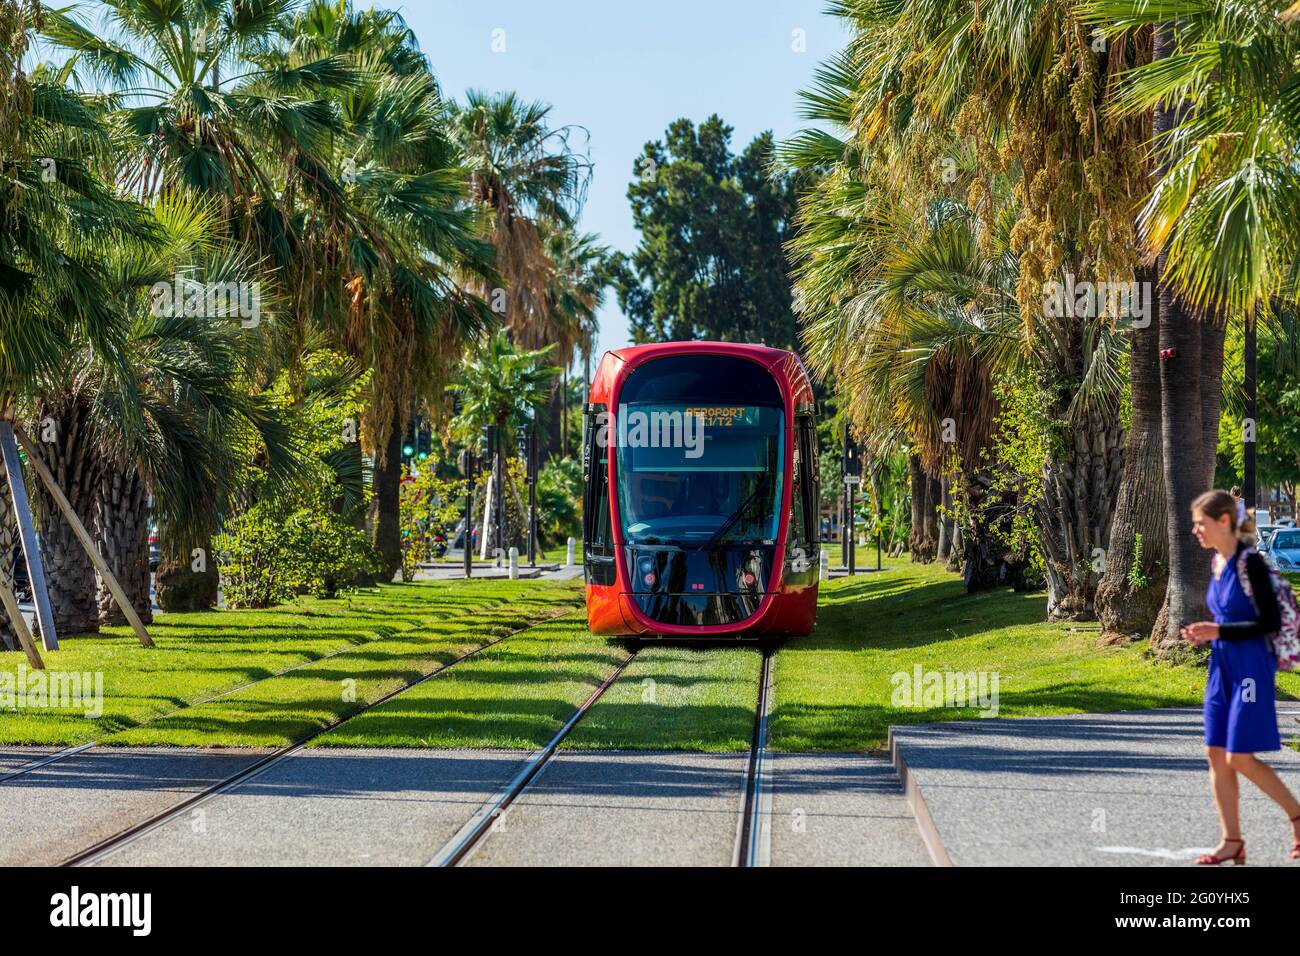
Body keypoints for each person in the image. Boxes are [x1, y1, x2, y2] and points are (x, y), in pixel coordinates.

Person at [1182, 489, 1300, 865]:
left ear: (1223, 522)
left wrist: (1219, 632)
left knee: (1239, 757)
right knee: (1215, 754)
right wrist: (1208, 632)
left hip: (1251, 665)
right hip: (1222, 666)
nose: (1195, 530)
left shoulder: (1251, 564)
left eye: (1201, 523)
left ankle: (1297, 817)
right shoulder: (1217, 564)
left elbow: (1269, 622)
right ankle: (1232, 841)